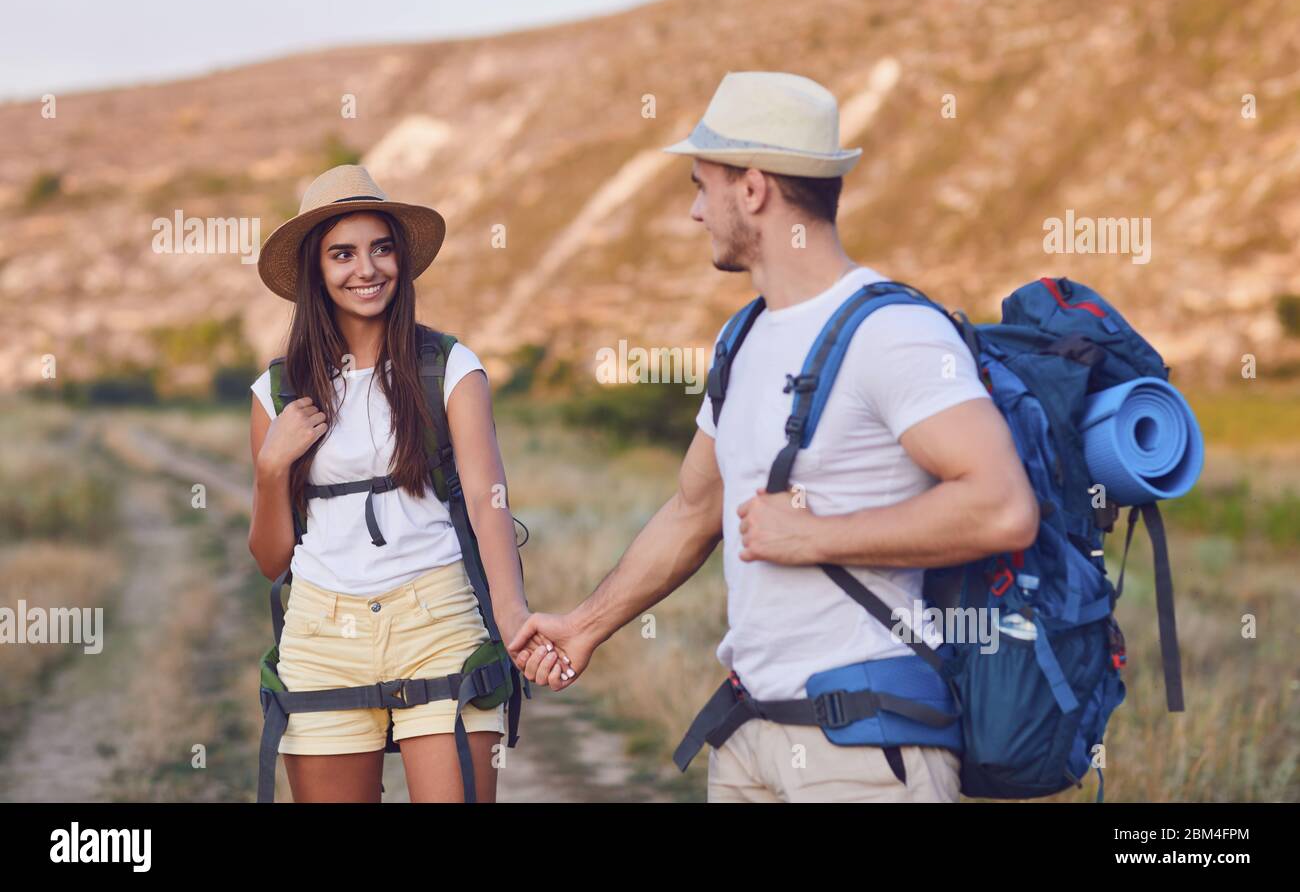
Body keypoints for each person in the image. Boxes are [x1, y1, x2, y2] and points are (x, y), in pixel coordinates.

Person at [508, 72, 1040, 802]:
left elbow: (1002, 507)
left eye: (703, 186)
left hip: (864, 755)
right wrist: (586, 625)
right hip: (751, 746)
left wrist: (818, 536)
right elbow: (695, 510)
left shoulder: (894, 332)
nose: (696, 211)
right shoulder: (743, 335)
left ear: (753, 189)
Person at [248, 164, 538, 802]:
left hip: (439, 623)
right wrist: (272, 470)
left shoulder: (449, 367)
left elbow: (492, 506)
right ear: (316, 271)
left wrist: (513, 616)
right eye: (342, 254)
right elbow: (271, 556)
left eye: (381, 248)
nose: (366, 269)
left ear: (401, 260)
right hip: (321, 635)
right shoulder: (277, 392)